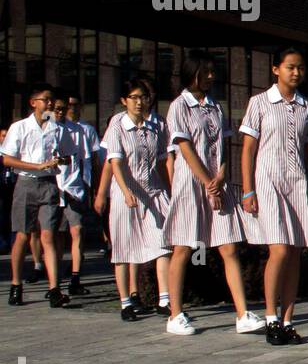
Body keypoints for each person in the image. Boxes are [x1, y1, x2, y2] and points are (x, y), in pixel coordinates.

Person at [162, 50, 263, 336]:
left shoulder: (216, 107)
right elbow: (185, 148)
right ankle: (175, 314)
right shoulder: (179, 106)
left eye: (211, 71)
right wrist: (208, 182)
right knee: (183, 248)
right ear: (191, 72)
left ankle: (243, 314)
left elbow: (223, 146)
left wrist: (220, 176)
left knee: (229, 247)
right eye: (205, 71)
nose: (211, 76)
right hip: (191, 184)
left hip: (217, 185)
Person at [239, 46, 308, 345]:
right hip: (267, 181)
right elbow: (248, 149)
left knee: (296, 251)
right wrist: (248, 190)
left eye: (300, 68)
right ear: (276, 69)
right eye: (290, 67)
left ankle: (287, 320)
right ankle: (271, 317)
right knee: (280, 250)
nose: (296, 73)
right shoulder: (259, 103)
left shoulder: (307, 107)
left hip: (297, 183)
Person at [101, 79, 172, 323]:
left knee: (163, 245)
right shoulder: (117, 125)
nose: (139, 102)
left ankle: (165, 299)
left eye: (142, 97)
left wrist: (170, 191)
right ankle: (126, 302)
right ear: (124, 101)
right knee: (124, 249)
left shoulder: (157, 125)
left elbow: (163, 163)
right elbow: (115, 162)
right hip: (127, 197)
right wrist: (124, 190)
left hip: (153, 193)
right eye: (133, 97)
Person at [2, 83, 75, 307]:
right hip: (26, 183)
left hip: (49, 184)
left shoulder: (58, 128)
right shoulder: (20, 127)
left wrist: (58, 161)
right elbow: (6, 158)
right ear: (33, 102)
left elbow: (68, 156)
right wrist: (37, 166)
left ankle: (54, 288)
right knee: (23, 235)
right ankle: (16, 284)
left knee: (48, 235)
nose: (50, 104)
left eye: (51, 100)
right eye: (45, 100)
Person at [51, 92, 100, 297]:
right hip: (53, 187)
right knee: (56, 235)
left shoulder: (81, 130)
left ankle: (75, 276)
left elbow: (87, 160)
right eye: (61, 107)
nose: (67, 110)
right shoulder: (48, 129)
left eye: (70, 106)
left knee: (77, 230)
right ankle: (55, 281)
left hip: (74, 188)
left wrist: (88, 187)